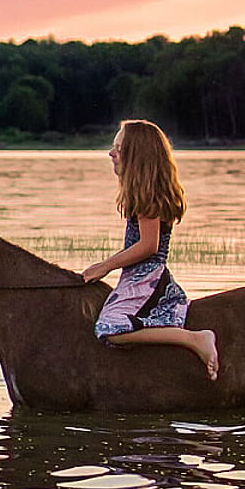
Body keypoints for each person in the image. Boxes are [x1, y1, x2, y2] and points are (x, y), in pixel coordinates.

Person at [81, 119, 219, 381]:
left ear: (137, 157)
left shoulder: (148, 197)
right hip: (136, 277)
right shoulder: (142, 193)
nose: (111, 153)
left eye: (119, 148)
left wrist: (105, 265)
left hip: (147, 278)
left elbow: (148, 246)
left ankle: (194, 339)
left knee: (112, 328)